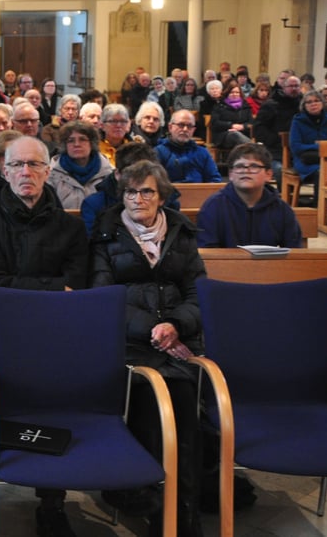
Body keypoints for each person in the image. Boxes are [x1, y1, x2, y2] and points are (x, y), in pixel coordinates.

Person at [0, 136, 87, 537]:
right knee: (10, 401)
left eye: (34, 165)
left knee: (58, 401)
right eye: (17, 165)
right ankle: (2, 481)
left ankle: (52, 502)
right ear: (4, 170)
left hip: (55, 330)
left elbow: (78, 283)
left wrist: (33, 291)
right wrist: (52, 290)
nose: (26, 173)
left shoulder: (70, 226)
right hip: (0, 328)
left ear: (48, 171)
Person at [90, 159, 205, 537]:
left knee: (186, 411)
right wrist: (153, 328)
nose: (138, 198)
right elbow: (105, 297)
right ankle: (145, 497)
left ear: (162, 195)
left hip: (178, 343)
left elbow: (197, 293)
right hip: (130, 344)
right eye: (131, 191)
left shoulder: (182, 233)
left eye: (147, 191)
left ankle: (182, 512)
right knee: (148, 407)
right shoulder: (105, 234)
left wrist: (177, 325)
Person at [197, 144, 302, 248]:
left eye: (254, 166)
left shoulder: (282, 209)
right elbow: (208, 252)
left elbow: (294, 250)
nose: (245, 171)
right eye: (239, 166)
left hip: (269, 264)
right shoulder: (213, 207)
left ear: (268, 174)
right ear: (231, 174)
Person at [81, 142, 179, 237]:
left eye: (145, 173)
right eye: (131, 174)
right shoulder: (95, 205)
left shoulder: (169, 201)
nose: (140, 180)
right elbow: (94, 246)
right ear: (117, 174)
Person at [47, 121, 114, 209]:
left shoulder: (109, 174)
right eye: (71, 141)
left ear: (92, 143)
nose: (77, 144)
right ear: (64, 145)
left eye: (82, 139)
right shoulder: (51, 175)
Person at [253, 74, 303, 184]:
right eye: (291, 86)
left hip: (299, 151)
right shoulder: (271, 105)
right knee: (279, 170)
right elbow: (259, 128)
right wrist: (276, 139)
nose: (294, 89)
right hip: (275, 150)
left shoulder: (304, 105)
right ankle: (284, 198)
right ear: (284, 88)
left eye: (296, 86)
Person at [290, 89, 327, 186]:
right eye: (309, 102)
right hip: (307, 161)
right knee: (320, 173)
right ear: (304, 106)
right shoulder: (298, 121)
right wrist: (318, 146)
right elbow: (295, 146)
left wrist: (323, 146)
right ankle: (319, 201)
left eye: (316, 101)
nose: (313, 104)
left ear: (322, 103)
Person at [155, 110, 223, 183]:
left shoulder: (202, 153)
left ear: (194, 130)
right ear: (170, 127)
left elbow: (214, 180)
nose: (185, 129)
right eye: (181, 125)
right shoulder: (159, 152)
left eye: (189, 126)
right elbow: (155, 182)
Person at [209, 81, 253, 149]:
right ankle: (253, 149)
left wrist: (243, 126)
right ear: (227, 93)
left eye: (237, 92)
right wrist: (231, 125)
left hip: (243, 134)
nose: (234, 94)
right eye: (232, 92)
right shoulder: (220, 106)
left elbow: (251, 123)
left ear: (240, 94)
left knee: (239, 140)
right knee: (234, 134)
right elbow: (214, 123)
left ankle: (250, 150)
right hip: (223, 136)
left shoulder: (245, 106)